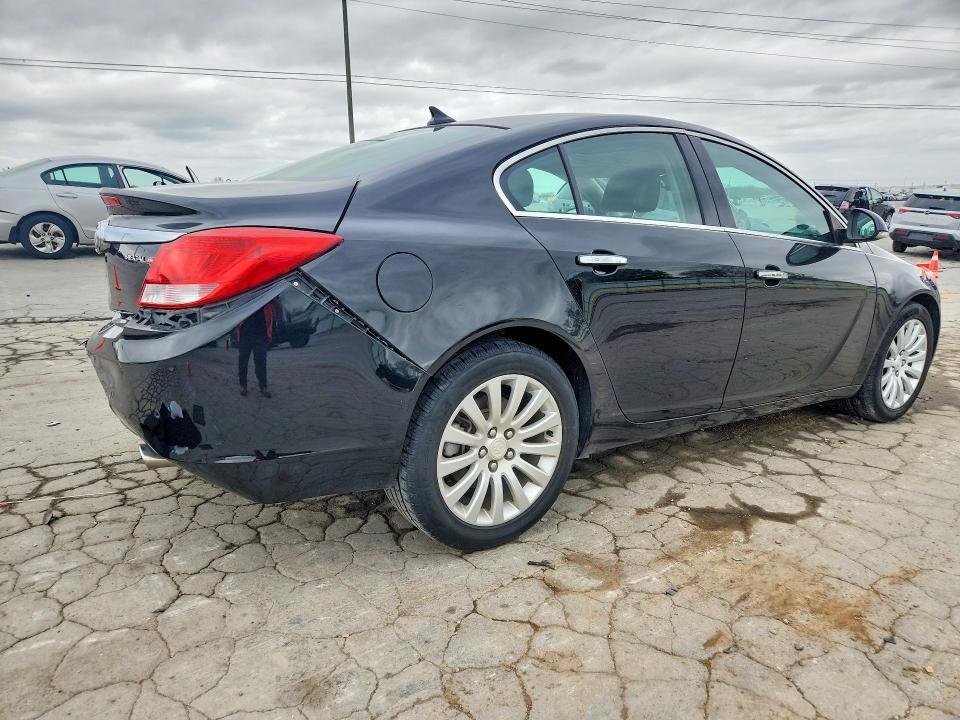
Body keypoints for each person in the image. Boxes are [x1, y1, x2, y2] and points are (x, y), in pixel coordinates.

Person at [237, 303, 274, 398]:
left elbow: (270, 320)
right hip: (245, 336)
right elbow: (237, 319)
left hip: (260, 337)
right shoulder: (244, 303)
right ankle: (243, 386)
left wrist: (268, 336)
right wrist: (238, 336)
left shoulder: (266, 304)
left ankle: (263, 387)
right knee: (243, 361)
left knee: (261, 362)